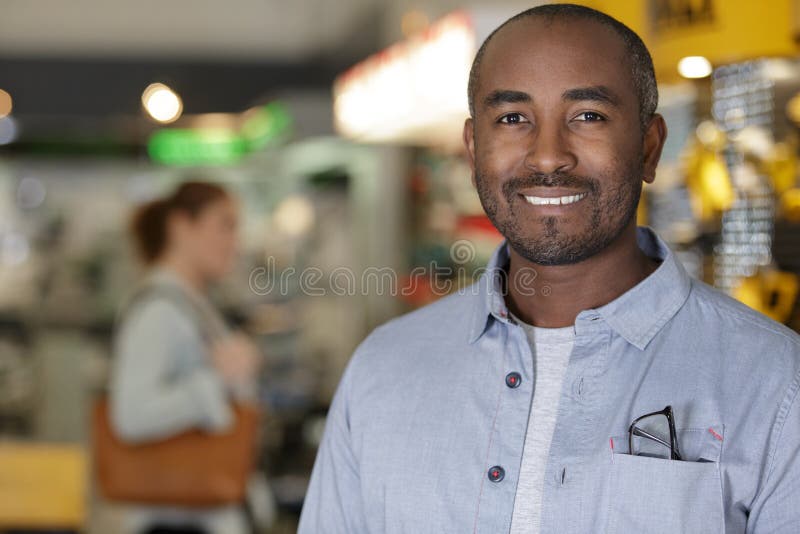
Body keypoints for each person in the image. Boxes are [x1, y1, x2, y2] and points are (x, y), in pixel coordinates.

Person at [298, 4, 800, 533]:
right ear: (473, 150)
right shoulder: (382, 370)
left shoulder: (774, 383)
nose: (547, 156)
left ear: (649, 147)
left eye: (588, 116)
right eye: (513, 118)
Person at [110, 181, 261, 534]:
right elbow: (132, 414)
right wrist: (217, 380)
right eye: (225, 225)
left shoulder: (189, 302)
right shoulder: (160, 310)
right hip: (178, 521)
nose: (234, 242)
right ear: (181, 227)